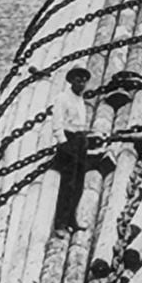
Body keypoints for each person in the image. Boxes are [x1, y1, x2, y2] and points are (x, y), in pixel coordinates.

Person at [51, 67, 93, 235]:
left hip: (80, 140)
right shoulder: (63, 98)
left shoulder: (79, 99)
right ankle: (60, 224)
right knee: (67, 184)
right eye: (78, 80)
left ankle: (72, 219)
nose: (81, 83)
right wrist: (64, 143)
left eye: (84, 80)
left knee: (78, 184)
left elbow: (79, 123)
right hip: (69, 142)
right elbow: (57, 123)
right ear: (71, 81)